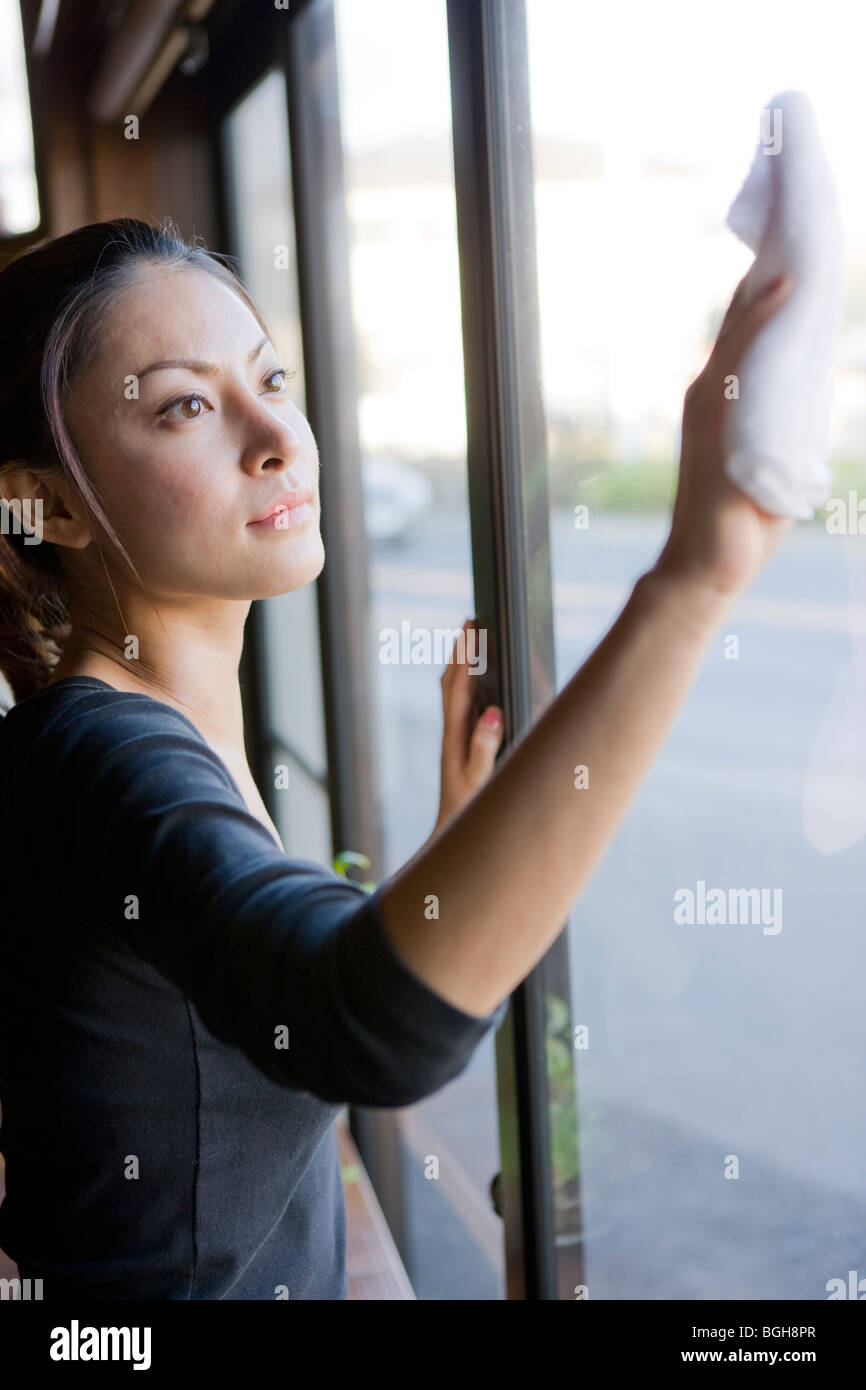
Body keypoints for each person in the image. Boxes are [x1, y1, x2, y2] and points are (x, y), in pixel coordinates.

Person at [0, 218, 793, 1299]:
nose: (274, 430)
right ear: (46, 503)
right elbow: (356, 1023)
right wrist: (690, 583)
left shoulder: (131, 731)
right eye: (184, 404)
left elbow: (251, 1017)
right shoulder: (101, 755)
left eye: (269, 378)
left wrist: (454, 840)